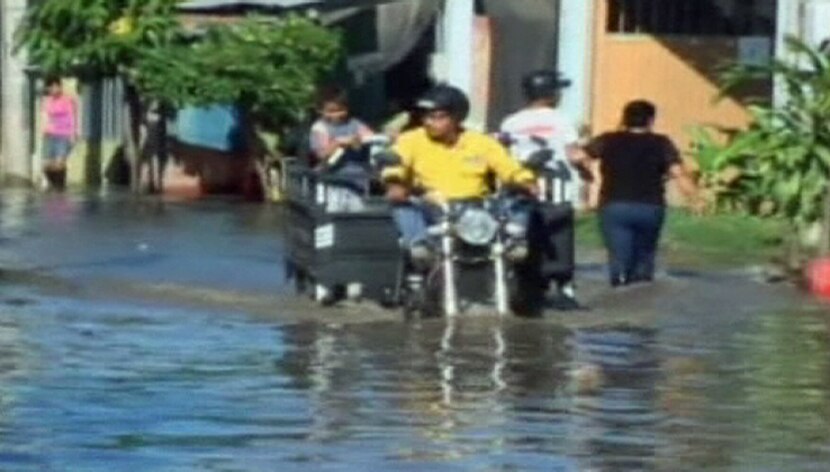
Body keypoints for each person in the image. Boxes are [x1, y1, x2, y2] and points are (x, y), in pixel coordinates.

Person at [382, 85, 537, 259]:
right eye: (426, 116)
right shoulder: (411, 140)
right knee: (403, 206)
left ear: (457, 118)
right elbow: (396, 164)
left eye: (437, 117)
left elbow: (508, 166)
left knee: (521, 199)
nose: (428, 122)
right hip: (433, 206)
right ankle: (420, 246)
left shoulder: (480, 142)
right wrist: (394, 183)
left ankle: (514, 241)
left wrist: (526, 181)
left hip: (477, 208)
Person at [580, 100, 701, 287]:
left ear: (624, 119)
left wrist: (586, 176)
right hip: (650, 208)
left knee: (619, 257)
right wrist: (695, 198)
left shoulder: (608, 140)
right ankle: (642, 290)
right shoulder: (661, 143)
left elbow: (580, 157)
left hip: (615, 207)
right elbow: (678, 173)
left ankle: (619, 290)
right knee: (644, 258)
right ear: (651, 120)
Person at [500, 70, 583, 206]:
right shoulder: (561, 119)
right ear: (550, 94)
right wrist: (585, 171)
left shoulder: (510, 122)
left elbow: (503, 154)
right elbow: (575, 156)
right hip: (555, 188)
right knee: (557, 218)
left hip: (521, 185)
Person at [309, 85, 374, 212]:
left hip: (357, 182)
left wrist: (365, 139)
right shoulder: (320, 128)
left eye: (340, 110)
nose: (336, 115)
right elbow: (321, 154)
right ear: (321, 111)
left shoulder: (355, 124)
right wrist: (338, 143)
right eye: (330, 111)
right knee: (333, 215)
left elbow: (370, 137)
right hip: (332, 182)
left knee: (358, 215)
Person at [41, 76, 79, 191]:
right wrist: (44, 129)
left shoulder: (67, 100)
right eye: (51, 87)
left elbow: (73, 116)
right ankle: (53, 184)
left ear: (60, 87)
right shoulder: (47, 101)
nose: (53, 89)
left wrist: (73, 133)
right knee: (47, 165)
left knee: (59, 163)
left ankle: (60, 187)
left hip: (64, 135)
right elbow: (45, 115)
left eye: (55, 86)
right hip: (50, 135)